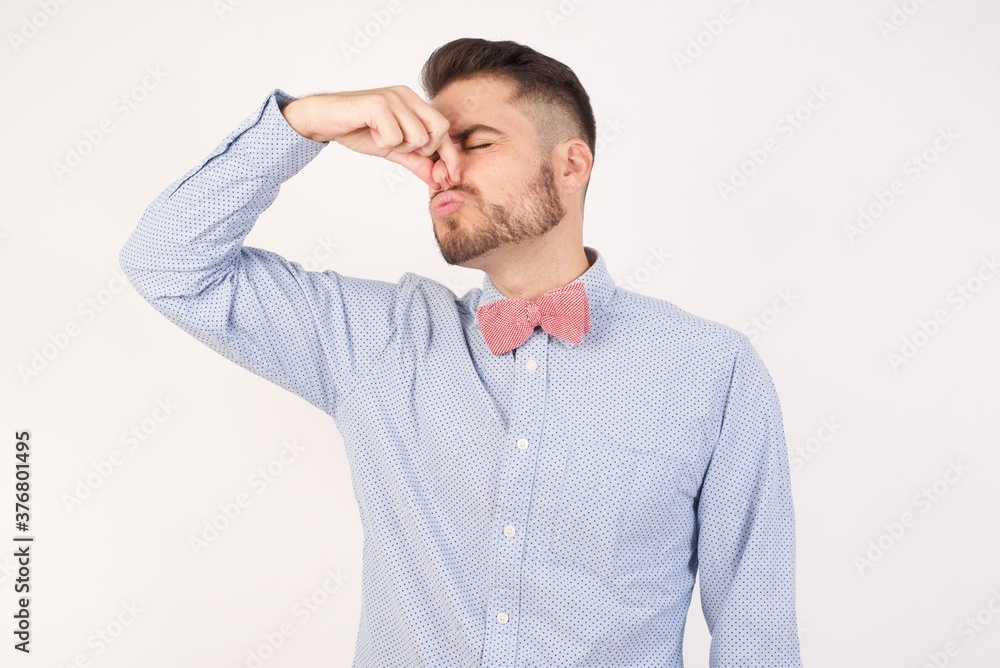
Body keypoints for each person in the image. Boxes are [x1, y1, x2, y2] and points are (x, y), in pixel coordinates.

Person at [119, 37, 802, 667]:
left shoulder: (710, 369)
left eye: (474, 141)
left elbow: (756, 631)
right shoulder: (375, 343)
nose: (441, 169)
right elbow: (168, 264)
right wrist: (303, 123)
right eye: (435, 149)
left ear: (571, 164)